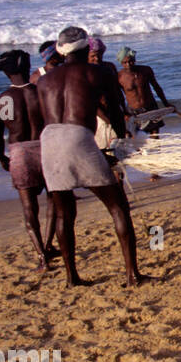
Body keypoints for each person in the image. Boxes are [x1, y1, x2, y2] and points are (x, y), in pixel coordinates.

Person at [36, 27, 142, 286]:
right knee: (118, 207)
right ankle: (132, 275)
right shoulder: (98, 73)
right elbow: (116, 110)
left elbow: (43, 116)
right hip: (79, 136)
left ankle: (72, 277)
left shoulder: (43, 80)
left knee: (64, 214)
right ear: (86, 49)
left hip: (49, 140)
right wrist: (121, 139)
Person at [0, 49, 57, 270]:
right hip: (45, 148)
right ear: (27, 68)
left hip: (19, 153)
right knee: (53, 202)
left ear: (7, 74)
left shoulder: (4, 100)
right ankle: (49, 245)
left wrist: (2, 157)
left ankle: (42, 257)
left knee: (29, 209)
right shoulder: (39, 92)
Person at [117, 46, 171, 133]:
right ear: (121, 63)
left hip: (150, 107)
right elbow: (119, 97)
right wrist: (124, 113)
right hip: (134, 111)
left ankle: (156, 147)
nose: (128, 64)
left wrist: (166, 103)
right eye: (125, 62)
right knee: (137, 138)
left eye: (131, 61)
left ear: (134, 60)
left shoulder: (146, 70)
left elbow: (157, 88)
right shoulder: (119, 77)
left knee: (155, 135)